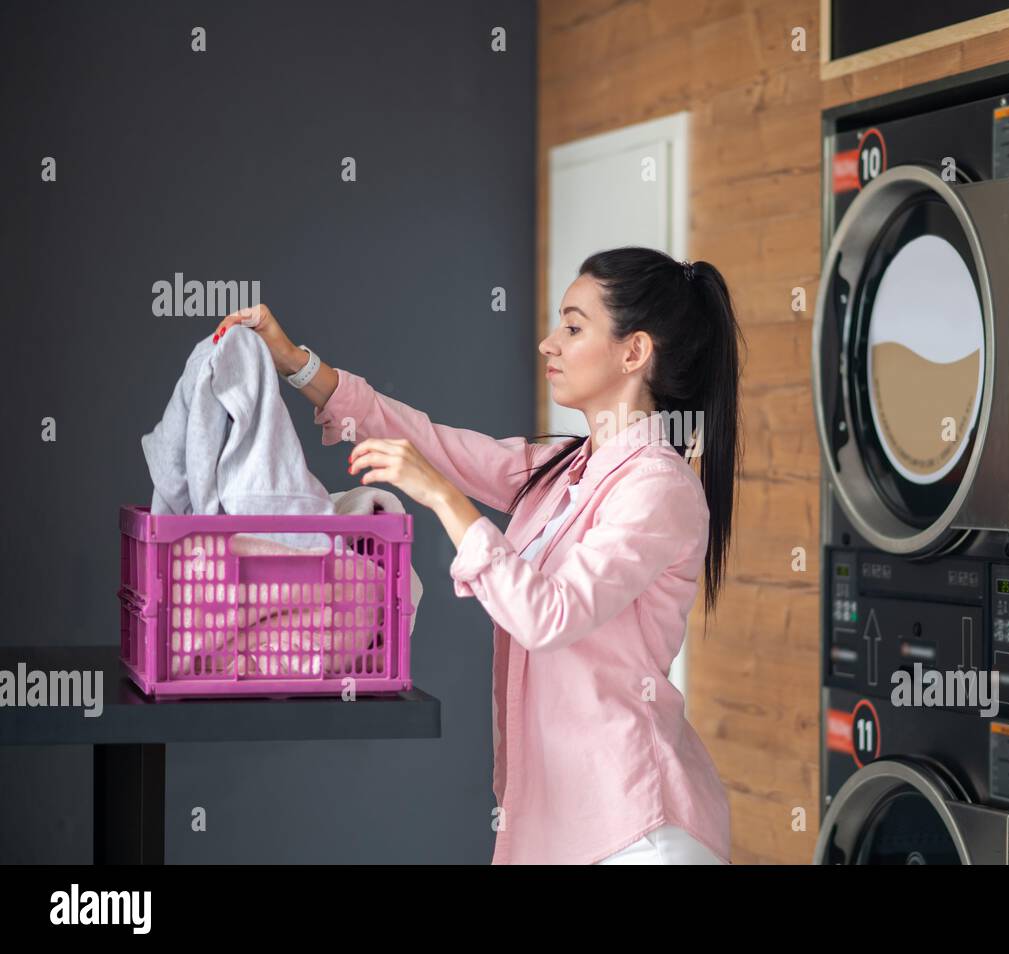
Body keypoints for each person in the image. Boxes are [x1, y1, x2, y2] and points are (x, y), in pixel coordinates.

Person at [213, 246, 745, 864]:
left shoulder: (658, 487)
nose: (549, 343)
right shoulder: (564, 471)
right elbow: (432, 443)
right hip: (562, 823)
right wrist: (297, 365)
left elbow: (550, 615)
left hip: (637, 834)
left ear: (634, 352)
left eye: (573, 327)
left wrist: (439, 498)